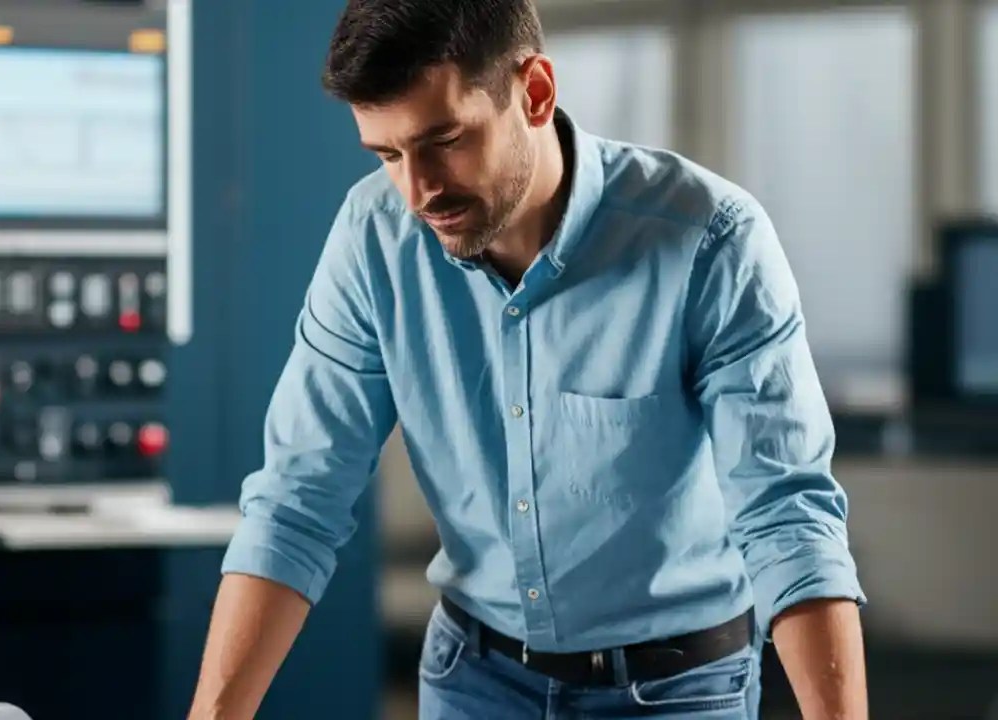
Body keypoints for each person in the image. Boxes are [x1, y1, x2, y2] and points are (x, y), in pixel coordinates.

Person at [187, 0, 868, 717]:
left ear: (535, 91)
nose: (417, 192)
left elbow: (787, 516)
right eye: (387, 155)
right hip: (473, 678)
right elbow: (297, 500)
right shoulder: (373, 237)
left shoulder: (710, 240)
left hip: (678, 688)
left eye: (445, 140)